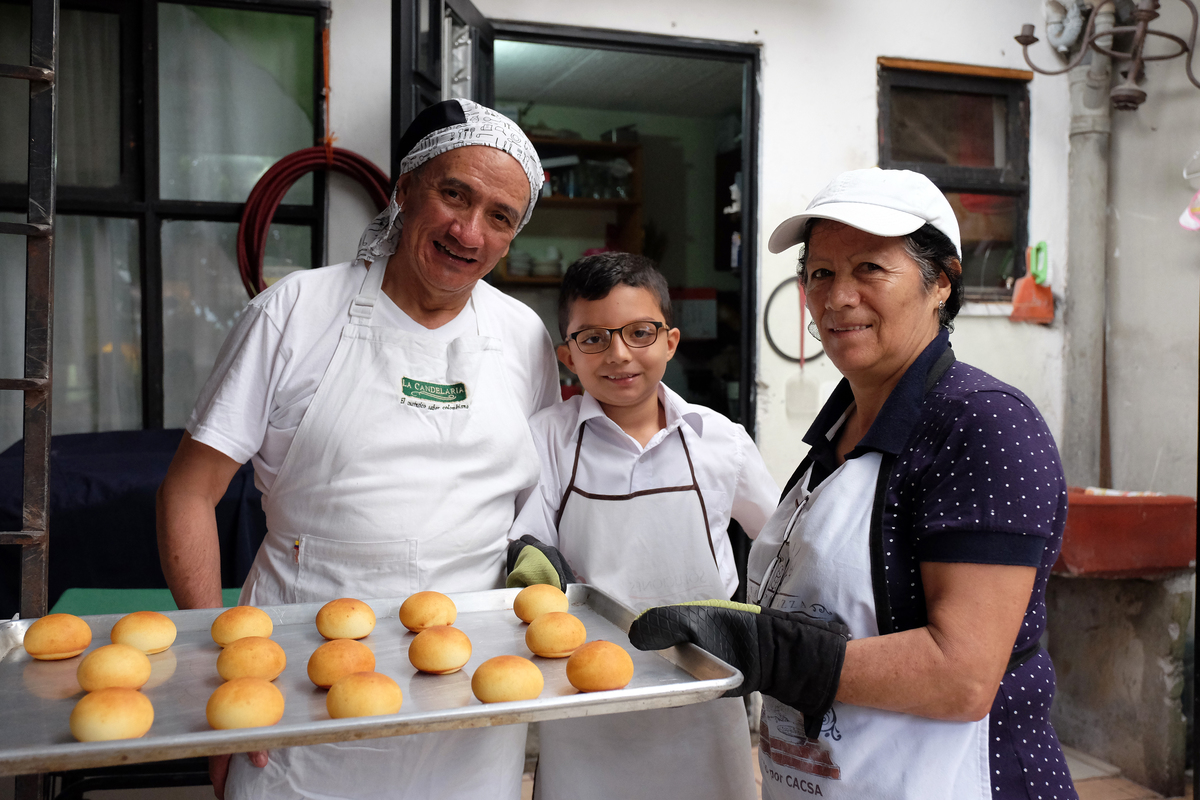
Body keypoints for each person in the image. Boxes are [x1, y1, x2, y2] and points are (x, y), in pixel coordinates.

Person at [156, 99, 560, 800]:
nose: (469, 231)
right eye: (453, 193)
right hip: (297, 669)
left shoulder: (524, 337)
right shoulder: (294, 312)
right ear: (405, 189)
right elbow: (189, 494)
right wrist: (224, 674)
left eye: (500, 216)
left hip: (467, 682)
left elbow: (541, 502)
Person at [631, 168, 1077, 800]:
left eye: (870, 268)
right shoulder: (839, 428)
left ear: (940, 282)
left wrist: (762, 648)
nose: (838, 298)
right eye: (819, 273)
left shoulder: (982, 425)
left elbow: (963, 676)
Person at [505, 252, 778, 800]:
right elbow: (531, 555)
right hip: (586, 690)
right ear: (567, 356)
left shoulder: (719, 439)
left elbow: (781, 547)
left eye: (640, 333)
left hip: (704, 682)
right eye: (594, 339)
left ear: (671, 341)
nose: (619, 355)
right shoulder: (547, 440)